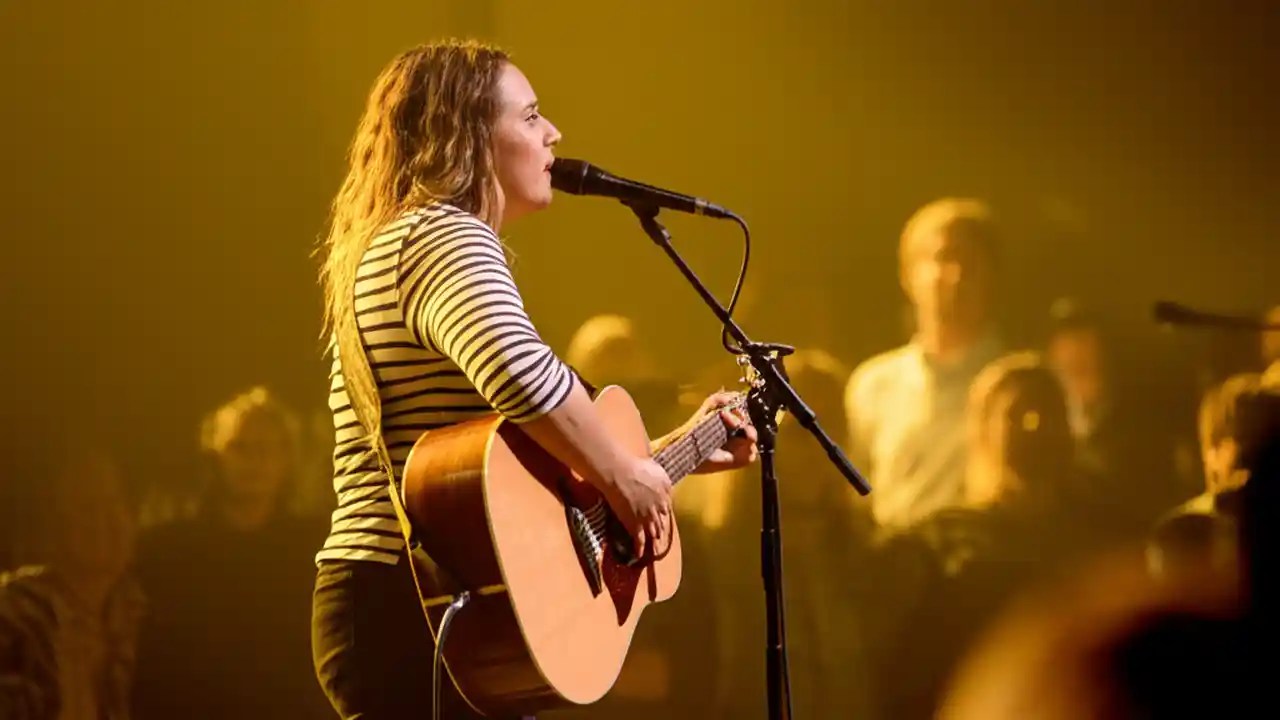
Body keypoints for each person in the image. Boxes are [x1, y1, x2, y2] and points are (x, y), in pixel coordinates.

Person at [310, 40, 758, 720]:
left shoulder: (412, 238)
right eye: (530, 116)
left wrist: (668, 455)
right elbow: (516, 375)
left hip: (428, 600)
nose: (553, 134)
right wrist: (621, 473)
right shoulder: (441, 235)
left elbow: (509, 460)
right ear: (462, 133)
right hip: (417, 605)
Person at [133, 387, 329, 719]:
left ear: (286, 458)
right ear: (215, 455)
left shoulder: (316, 548)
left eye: (266, 449)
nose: (254, 461)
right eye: (240, 448)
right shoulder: (172, 550)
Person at [844, 198, 1005, 530]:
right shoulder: (874, 385)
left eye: (972, 260)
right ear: (908, 274)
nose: (958, 275)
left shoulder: (1013, 385)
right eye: (944, 257)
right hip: (895, 571)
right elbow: (854, 495)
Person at [0, 443, 143, 720]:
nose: (104, 522)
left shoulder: (141, 614)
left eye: (115, 503)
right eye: (87, 508)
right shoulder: (14, 614)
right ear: (55, 522)